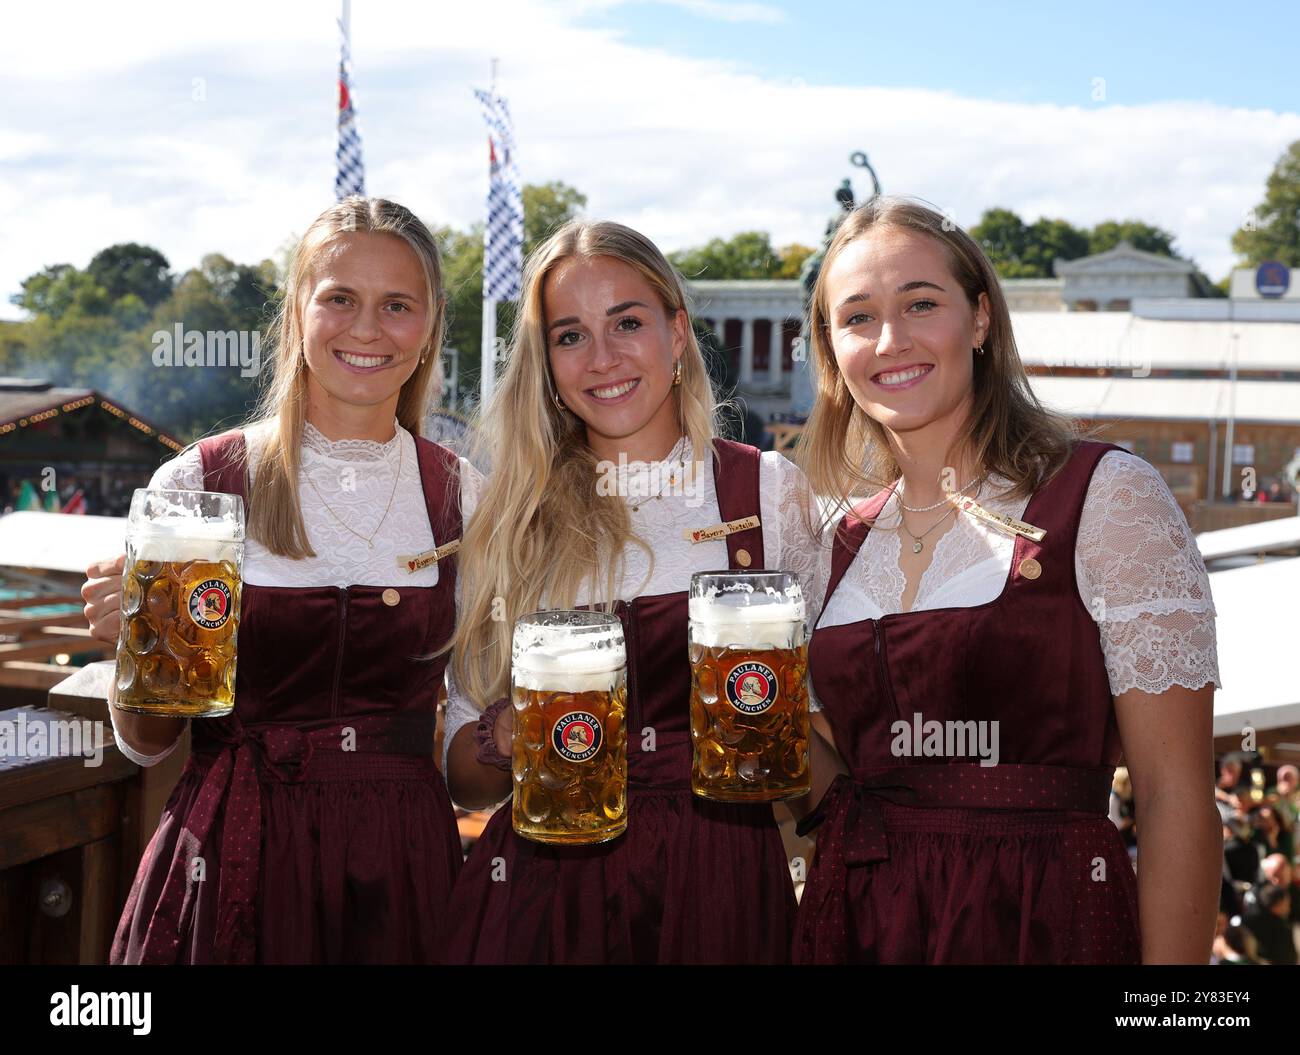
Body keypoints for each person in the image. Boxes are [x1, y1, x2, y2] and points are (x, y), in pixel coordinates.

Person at [790, 196, 1222, 964]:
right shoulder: (837, 543)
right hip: (860, 923)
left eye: (921, 303)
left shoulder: (1104, 493)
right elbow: (838, 789)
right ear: (830, 349)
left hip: (1038, 917)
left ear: (981, 319)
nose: (891, 339)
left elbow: (1174, 794)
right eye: (857, 317)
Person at [80, 196, 478, 963]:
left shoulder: (467, 496)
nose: (367, 328)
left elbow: (474, 774)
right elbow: (148, 743)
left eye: (397, 304)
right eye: (339, 298)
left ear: (430, 326)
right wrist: (140, 651)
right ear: (296, 313)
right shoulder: (199, 479)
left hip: (398, 873)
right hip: (228, 851)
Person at [436, 220, 826, 963]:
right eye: (570, 335)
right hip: (544, 899)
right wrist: (502, 735)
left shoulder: (766, 495)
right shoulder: (510, 519)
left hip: (721, 890)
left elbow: (820, 731)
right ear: (545, 363)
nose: (603, 357)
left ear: (678, 334)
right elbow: (465, 779)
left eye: (627, 322)